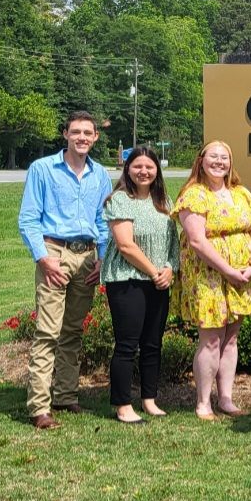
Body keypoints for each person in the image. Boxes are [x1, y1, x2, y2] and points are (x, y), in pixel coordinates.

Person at [17, 111, 111, 430]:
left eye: (88, 132)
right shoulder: (43, 169)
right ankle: (40, 407)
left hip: (86, 256)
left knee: (73, 330)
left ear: (95, 137)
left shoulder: (100, 175)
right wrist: (43, 258)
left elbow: (102, 221)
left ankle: (65, 394)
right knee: (47, 331)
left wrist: (102, 258)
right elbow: (28, 218)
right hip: (54, 253)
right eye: (76, 132)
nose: (82, 137)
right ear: (66, 134)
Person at [173, 140, 251, 421]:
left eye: (224, 157)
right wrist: (227, 270)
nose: (219, 162)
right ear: (200, 160)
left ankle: (226, 398)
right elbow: (197, 241)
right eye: (213, 156)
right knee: (211, 339)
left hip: (240, 276)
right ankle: (203, 402)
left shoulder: (242, 194)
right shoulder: (194, 195)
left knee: (231, 339)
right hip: (208, 276)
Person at [100, 147, 179, 424]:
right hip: (128, 281)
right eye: (137, 166)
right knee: (127, 345)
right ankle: (123, 405)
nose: (144, 171)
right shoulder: (119, 199)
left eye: (149, 166)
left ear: (157, 170)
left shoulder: (164, 201)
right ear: (127, 169)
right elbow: (125, 245)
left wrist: (170, 268)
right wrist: (154, 271)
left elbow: (173, 242)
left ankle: (149, 399)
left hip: (158, 282)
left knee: (152, 344)